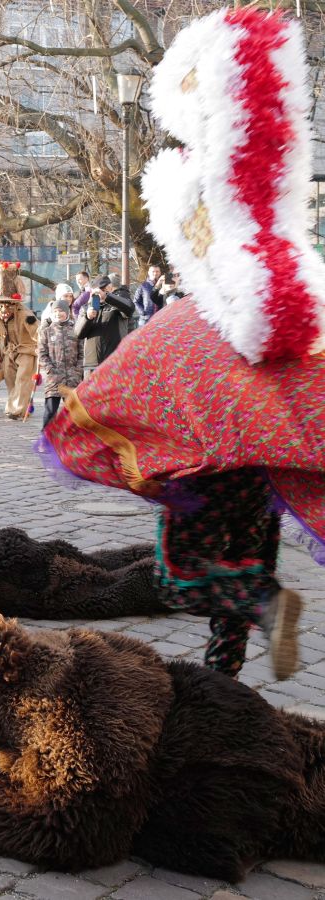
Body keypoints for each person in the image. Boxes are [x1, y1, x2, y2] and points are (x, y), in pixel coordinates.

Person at [45, 7, 324, 682]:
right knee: (247, 546)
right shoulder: (268, 195)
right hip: (254, 422)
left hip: (209, 427)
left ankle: (253, 612)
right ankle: (225, 668)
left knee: (185, 573)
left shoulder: (202, 191)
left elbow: (217, 257)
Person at [0, 263, 40, 420]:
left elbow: (38, 332)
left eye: (8, 305)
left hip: (26, 351)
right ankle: (19, 407)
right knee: (11, 382)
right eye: (1, 306)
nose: (4, 310)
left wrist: (42, 351)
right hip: (8, 353)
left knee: (22, 381)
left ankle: (17, 409)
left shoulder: (25, 315)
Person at [37, 290, 81, 426]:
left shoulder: (76, 330)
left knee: (74, 412)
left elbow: (82, 353)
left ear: (67, 312)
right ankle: (46, 440)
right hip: (54, 379)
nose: (58, 314)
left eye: (61, 311)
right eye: (55, 311)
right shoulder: (46, 331)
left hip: (72, 378)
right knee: (50, 411)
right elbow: (42, 353)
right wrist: (50, 369)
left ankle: (73, 440)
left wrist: (77, 370)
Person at [76, 275, 135, 375]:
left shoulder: (117, 304)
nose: (101, 293)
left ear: (111, 289)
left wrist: (108, 297)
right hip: (92, 364)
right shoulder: (86, 308)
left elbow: (130, 308)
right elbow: (78, 334)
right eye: (98, 290)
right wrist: (88, 318)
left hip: (115, 361)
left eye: (105, 290)